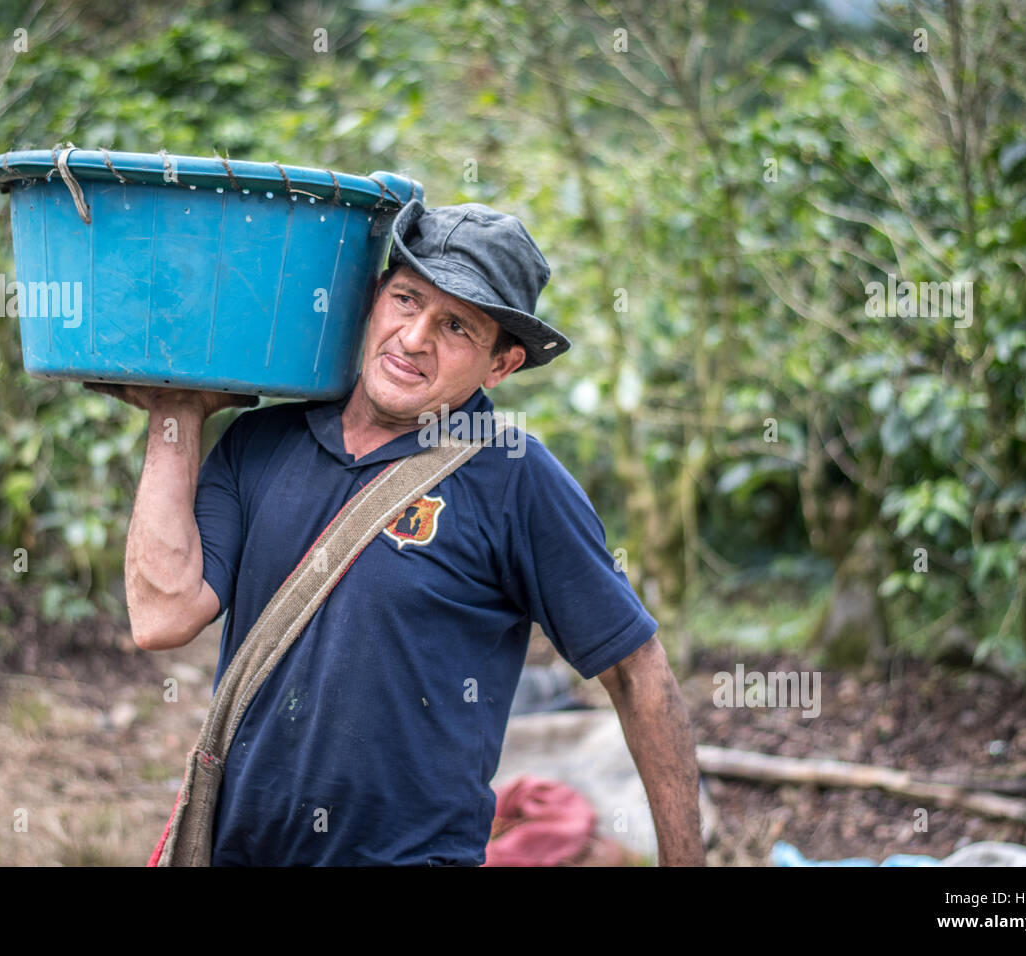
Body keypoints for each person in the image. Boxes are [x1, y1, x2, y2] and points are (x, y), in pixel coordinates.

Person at [89, 198, 705, 866]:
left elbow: (639, 672)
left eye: (457, 327)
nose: (415, 338)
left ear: (500, 364)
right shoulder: (261, 443)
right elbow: (161, 615)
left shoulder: (514, 479)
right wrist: (174, 412)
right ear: (374, 297)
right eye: (407, 300)